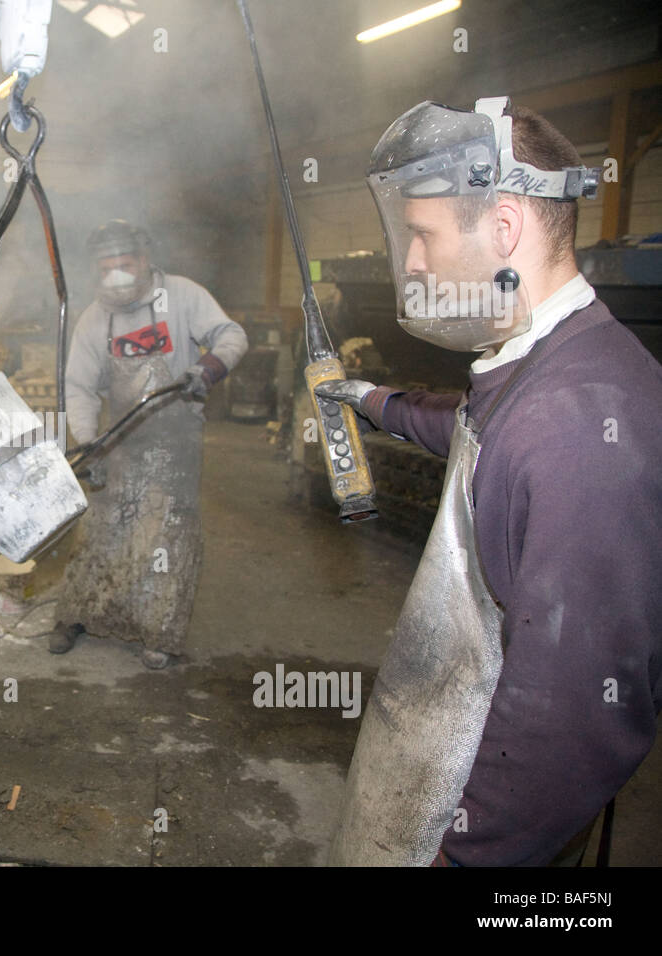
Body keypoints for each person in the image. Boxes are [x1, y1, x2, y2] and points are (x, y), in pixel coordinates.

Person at [321, 98, 662, 866]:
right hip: (435, 771)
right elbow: (479, 431)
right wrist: (374, 403)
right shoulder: (544, 365)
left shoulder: (580, 426)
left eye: (424, 234)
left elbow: (569, 725)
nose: (411, 262)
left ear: (504, 229)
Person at [51, 220, 247, 669]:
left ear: (144, 260)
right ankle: (77, 616)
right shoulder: (94, 319)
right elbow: (79, 387)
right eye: (107, 267)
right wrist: (88, 444)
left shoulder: (181, 295)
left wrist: (208, 369)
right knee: (102, 530)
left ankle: (159, 632)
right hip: (119, 440)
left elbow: (231, 335)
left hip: (176, 439)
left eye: (125, 264)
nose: (117, 275)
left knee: (168, 535)